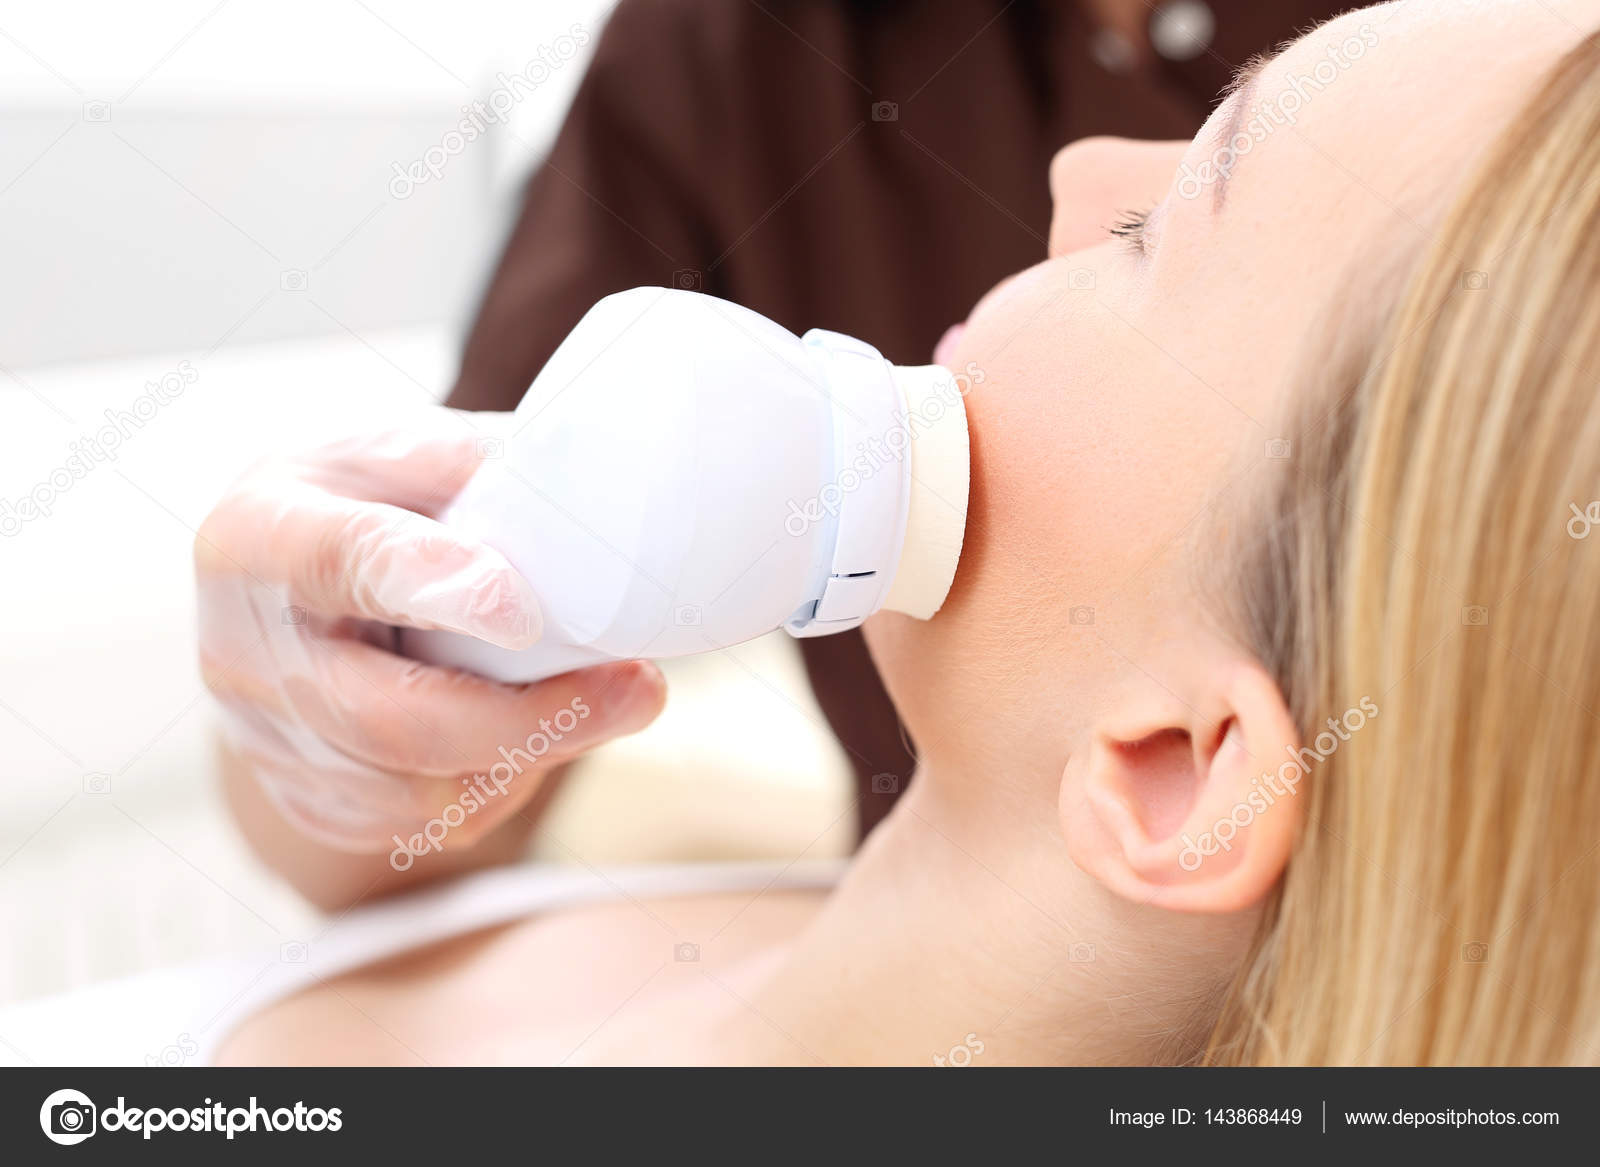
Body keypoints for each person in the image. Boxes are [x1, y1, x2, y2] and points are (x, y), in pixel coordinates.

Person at [205, 0, 1600, 1065]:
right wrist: (346, 700)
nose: (1073, 179)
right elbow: (416, 729)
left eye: (1152, 231)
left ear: (1177, 770)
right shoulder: (734, 42)